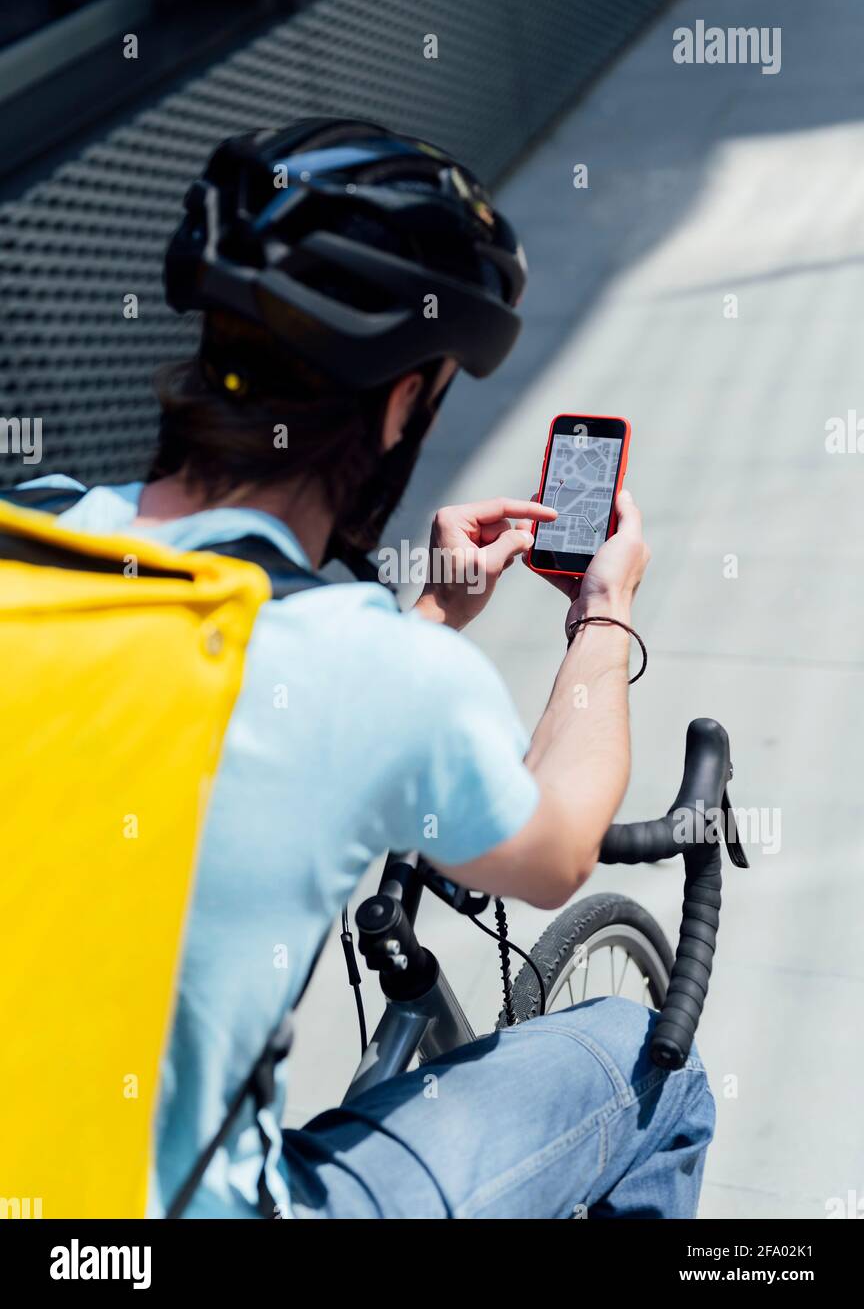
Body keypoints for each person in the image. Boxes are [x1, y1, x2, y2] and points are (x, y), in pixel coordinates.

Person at [24, 119, 713, 1218]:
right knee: (647, 1062)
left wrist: (433, 610)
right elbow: (557, 849)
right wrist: (604, 608)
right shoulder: (375, 674)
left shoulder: (32, 531)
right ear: (401, 405)